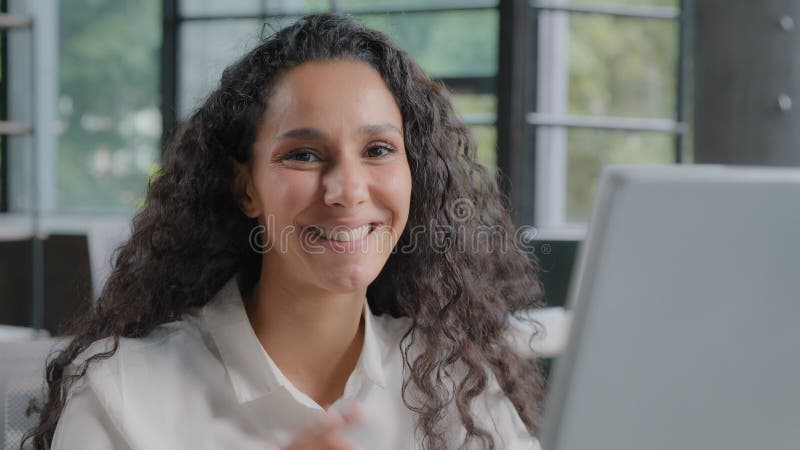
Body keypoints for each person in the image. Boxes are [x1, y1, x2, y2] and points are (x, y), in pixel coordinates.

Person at [25, 13, 545, 450]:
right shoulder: (122, 394)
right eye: (303, 155)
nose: (346, 189)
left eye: (378, 150)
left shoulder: (458, 382)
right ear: (246, 188)